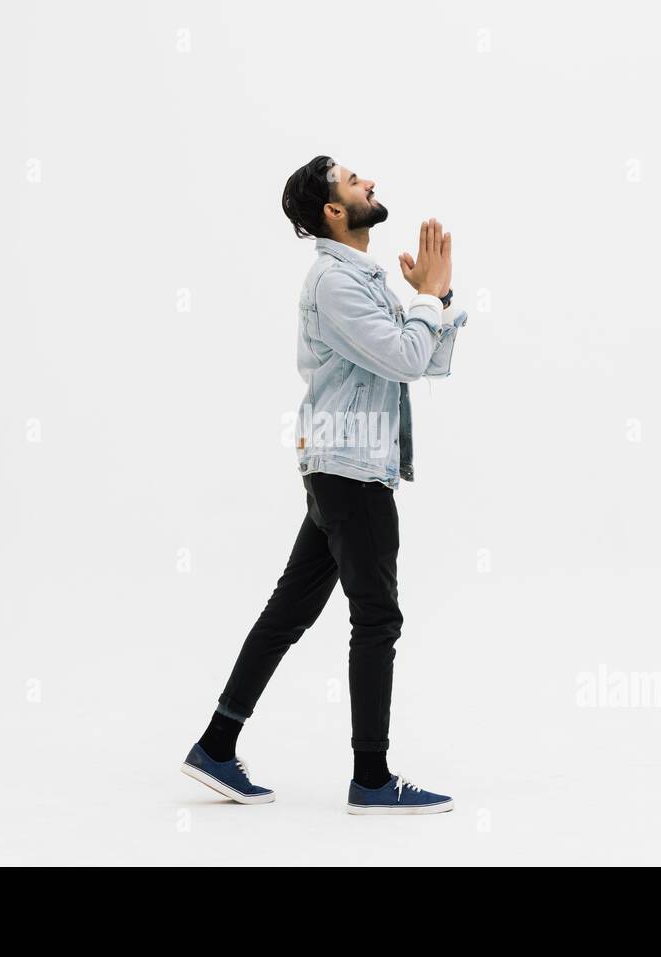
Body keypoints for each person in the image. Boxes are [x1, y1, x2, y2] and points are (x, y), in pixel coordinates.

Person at [180, 155, 468, 814]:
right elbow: (403, 355)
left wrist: (437, 298)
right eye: (352, 179)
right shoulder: (335, 284)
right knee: (377, 617)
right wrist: (425, 301)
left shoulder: (360, 280)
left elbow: (423, 360)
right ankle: (371, 778)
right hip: (351, 471)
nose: (369, 180)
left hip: (343, 466)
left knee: (289, 612)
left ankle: (216, 746)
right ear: (334, 211)